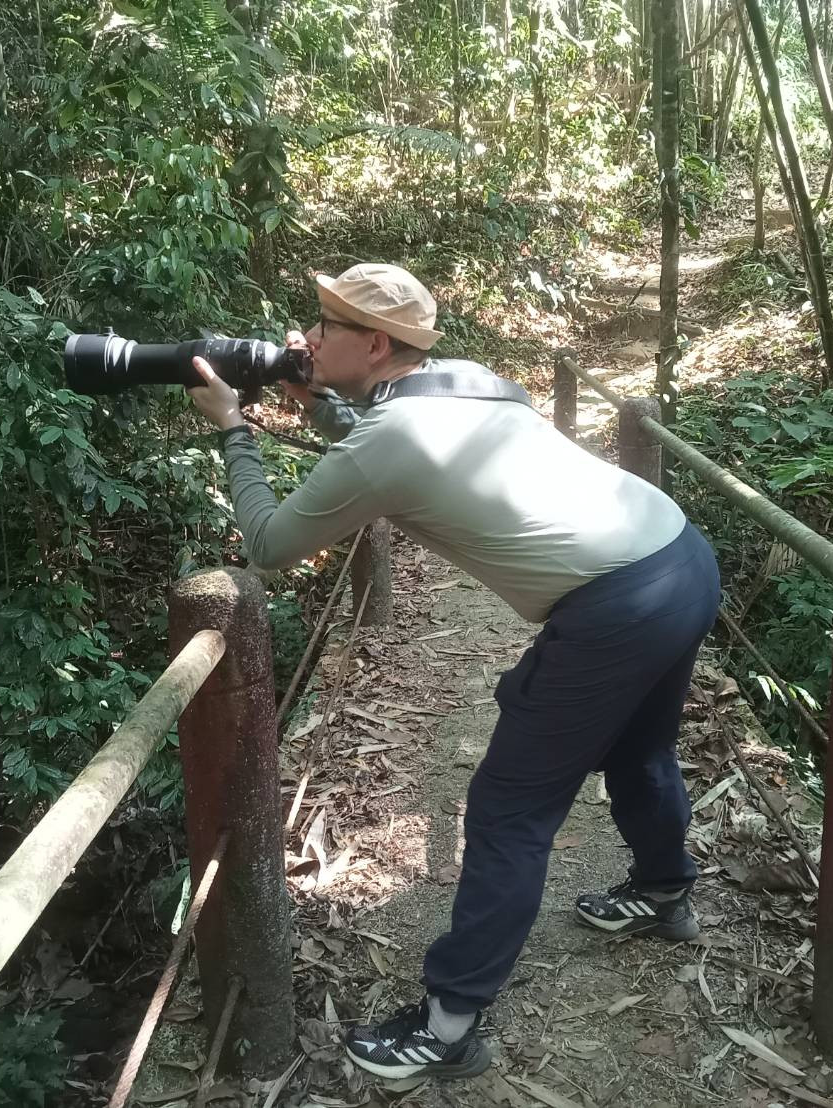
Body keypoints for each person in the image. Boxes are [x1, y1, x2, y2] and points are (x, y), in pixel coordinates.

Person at [186, 263, 720, 1081]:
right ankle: (661, 892)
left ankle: (447, 1027)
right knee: (637, 750)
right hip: (678, 554)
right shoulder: (470, 384)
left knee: (508, 812)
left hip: (613, 609)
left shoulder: (390, 437)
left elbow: (267, 545)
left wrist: (232, 427)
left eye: (325, 327)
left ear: (372, 344)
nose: (308, 336)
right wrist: (319, 404)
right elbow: (393, 451)